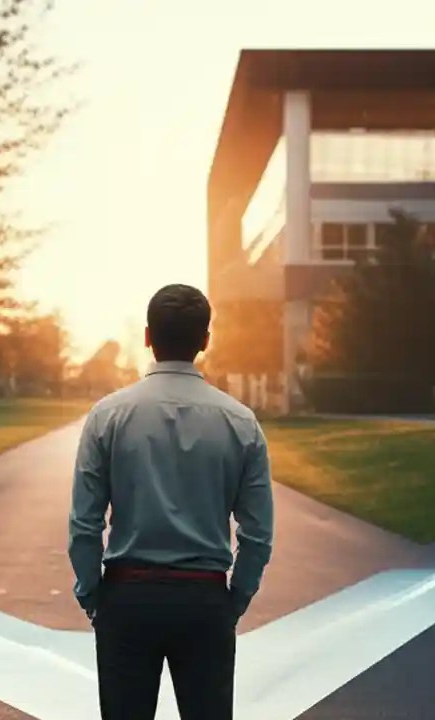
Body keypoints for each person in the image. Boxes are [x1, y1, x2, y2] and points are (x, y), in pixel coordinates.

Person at [68, 283, 275, 720]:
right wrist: (234, 600)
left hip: (128, 597)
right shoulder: (240, 421)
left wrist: (93, 595)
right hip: (204, 600)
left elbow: (85, 525)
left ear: (148, 337)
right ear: (205, 339)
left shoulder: (108, 415)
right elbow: (257, 534)